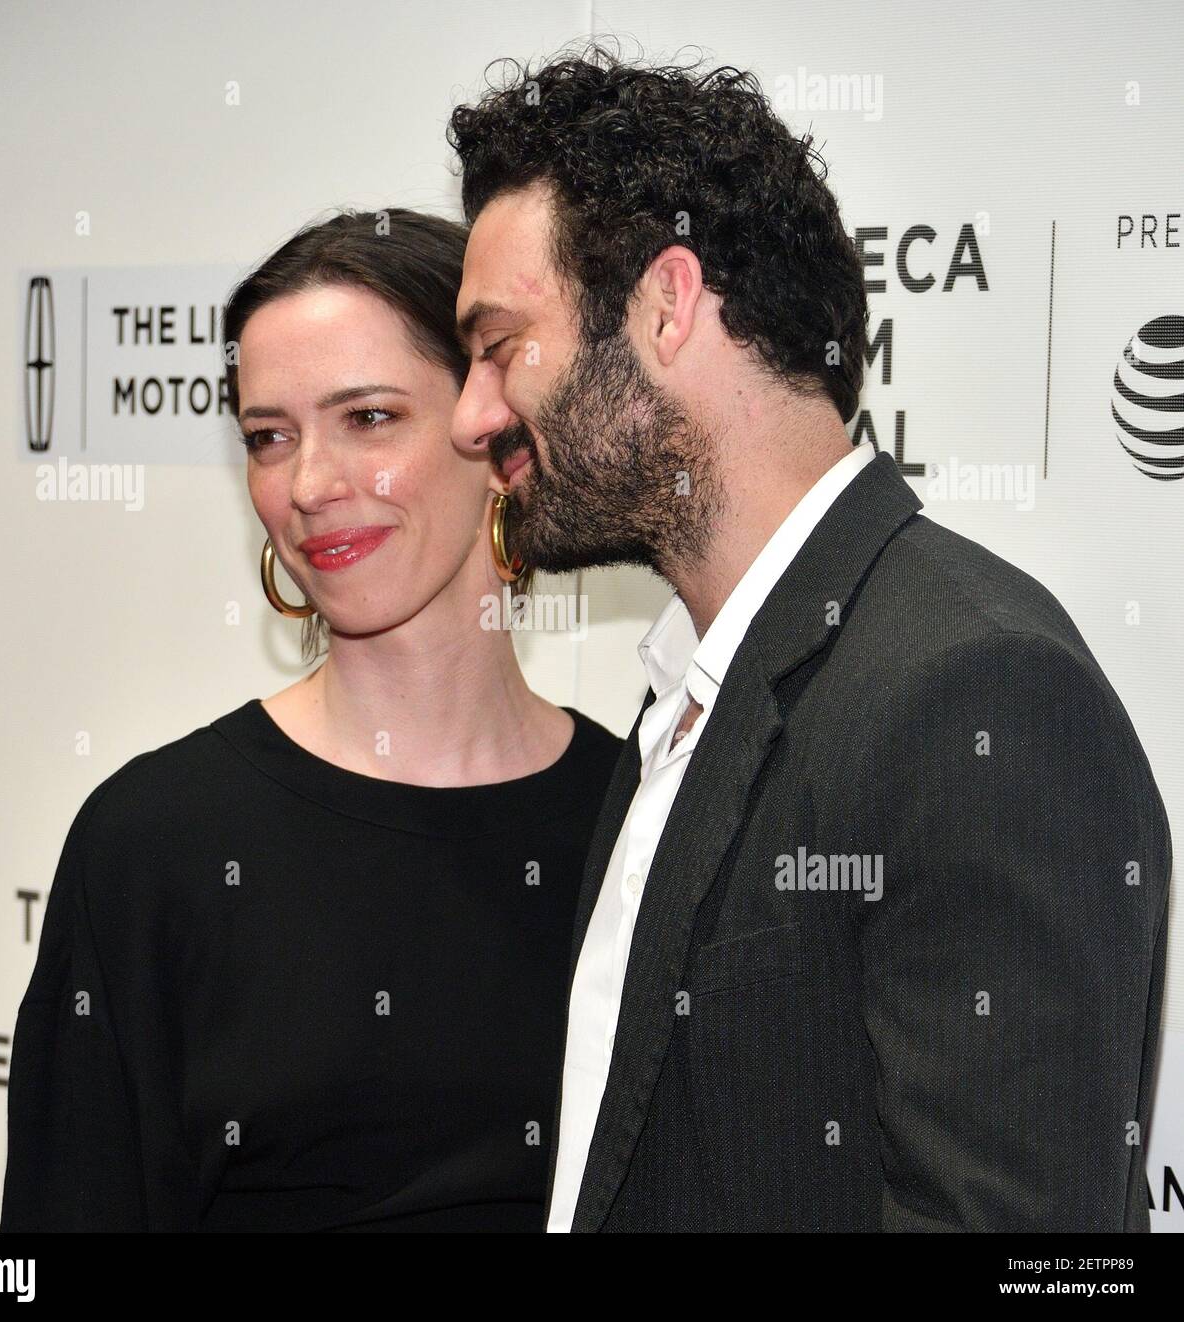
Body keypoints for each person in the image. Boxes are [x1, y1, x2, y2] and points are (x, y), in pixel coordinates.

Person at [447, 44, 1172, 1232]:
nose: (474, 415)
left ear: (666, 303)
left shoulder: (977, 690)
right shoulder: (689, 693)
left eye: (498, 345)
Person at [0, 209, 623, 1232]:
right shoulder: (156, 841)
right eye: (268, 437)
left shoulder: (638, 818)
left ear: (490, 423)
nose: (309, 486)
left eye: (369, 417)